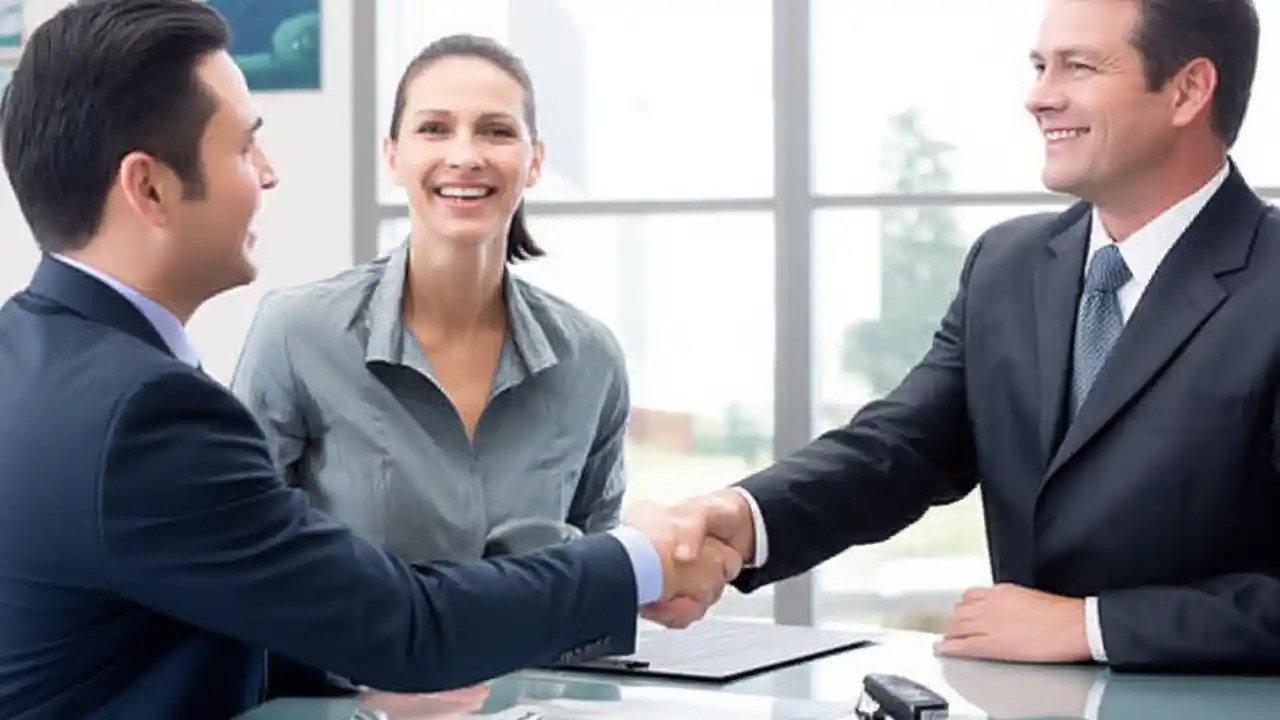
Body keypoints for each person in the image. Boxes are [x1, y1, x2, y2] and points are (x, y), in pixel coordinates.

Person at [0, 2, 738, 719]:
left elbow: (210, 600)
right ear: (150, 187)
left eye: (496, 131)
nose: (268, 174)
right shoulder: (148, 413)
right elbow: (412, 628)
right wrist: (640, 558)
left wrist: (353, 681)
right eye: (243, 147)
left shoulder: (39, 360)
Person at [651, 0, 1280, 670]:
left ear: (1187, 90)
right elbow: (898, 449)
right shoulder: (1006, 267)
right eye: (1040, 66)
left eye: (1078, 67)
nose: (1038, 98)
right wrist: (740, 521)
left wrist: (1095, 626)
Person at [230, 34, 629, 565]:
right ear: (393, 155)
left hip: (537, 652)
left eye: (497, 131)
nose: (465, 156)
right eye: (434, 129)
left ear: (534, 162)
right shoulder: (296, 334)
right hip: (346, 650)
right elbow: (238, 548)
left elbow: (593, 580)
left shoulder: (592, 360)